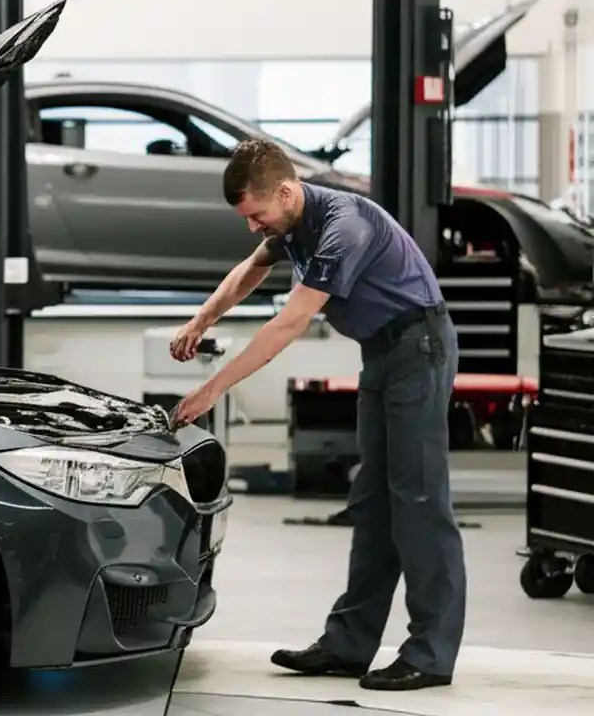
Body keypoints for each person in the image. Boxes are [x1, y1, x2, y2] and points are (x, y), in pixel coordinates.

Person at [168, 139, 465, 692]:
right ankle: (349, 645)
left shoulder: (342, 225)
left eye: (256, 214)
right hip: (382, 353)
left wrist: (212, 390)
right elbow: (248, 271)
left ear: (284, 191)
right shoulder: (288, 224)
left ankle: (431, 653)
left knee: (419, 498)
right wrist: (199, 320)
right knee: (373, 500)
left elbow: (287, 324)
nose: (253, 227)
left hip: (418, 349)